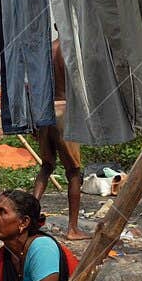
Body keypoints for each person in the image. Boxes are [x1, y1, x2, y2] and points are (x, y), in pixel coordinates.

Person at [35, 40, 86, 240]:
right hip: (65, 111)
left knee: (46, 167)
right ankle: (72, 228)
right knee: (73, 172)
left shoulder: (47, 48)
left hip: (45, 110)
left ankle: (27, 219)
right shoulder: (72, 49)